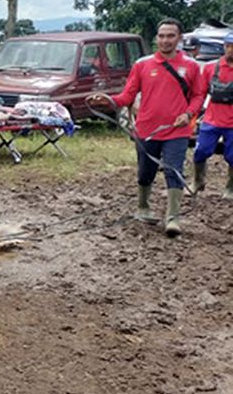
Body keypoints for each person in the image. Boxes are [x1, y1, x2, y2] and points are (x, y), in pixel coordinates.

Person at [89, 18, 204, 236]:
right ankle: (143, 206)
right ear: (156, 38)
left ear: (179, 38)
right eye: (161, 36)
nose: (165, 40)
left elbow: (198, 95)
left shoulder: (190, 66)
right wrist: (107, 101)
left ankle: (173, 218)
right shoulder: (142, 64)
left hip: (177, 130)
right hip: (146, 129)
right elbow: (127, 95)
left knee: (173, 170)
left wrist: (188, 114)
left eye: (170, 36)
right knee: (145, 172)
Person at [194, 31, 233, 199]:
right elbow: (200, 93)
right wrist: (192, 114)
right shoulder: (211, 68)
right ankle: (198, 181)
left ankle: (230, 187)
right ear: (224, 47)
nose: (231, 50)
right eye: (228, 46)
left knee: (232, 157)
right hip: (212, 118)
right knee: (200, 151)